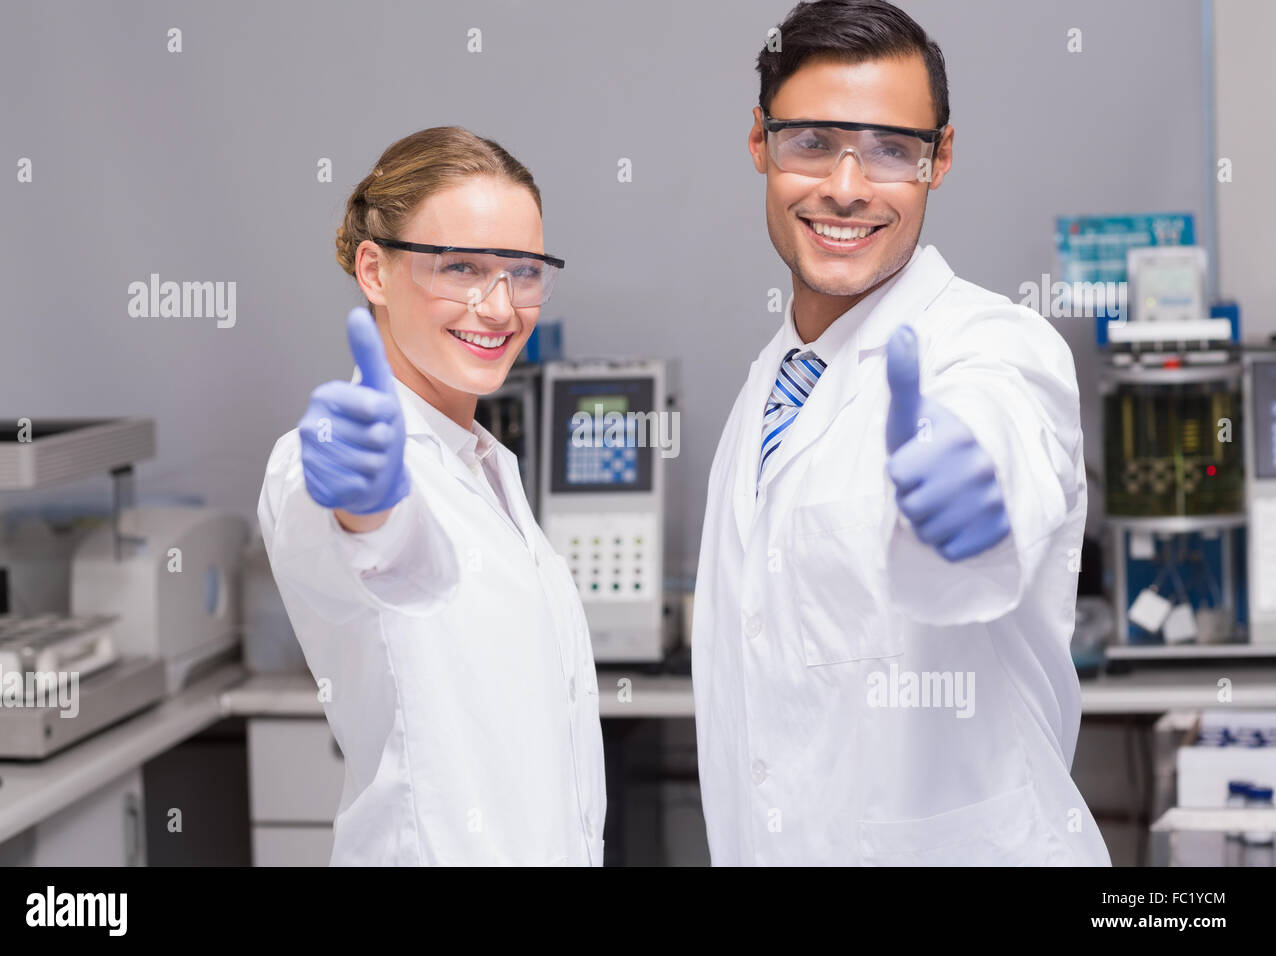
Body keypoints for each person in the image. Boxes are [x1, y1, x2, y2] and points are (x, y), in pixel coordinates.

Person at [691, 0, 1111, 865]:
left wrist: (976, 499)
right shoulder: (767, 392)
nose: (847, 186)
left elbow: (1004, 442)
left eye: (891, 149)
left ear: (939, 160)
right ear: (760, 145)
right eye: (812, 142)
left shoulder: (991, 346)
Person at [257, 127, 605, 866]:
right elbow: (389, 553)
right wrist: (370, 505)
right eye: (462, 268)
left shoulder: (483, 461)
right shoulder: (321, 463)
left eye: (524, 272)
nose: (500, 307)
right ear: (374, 271)